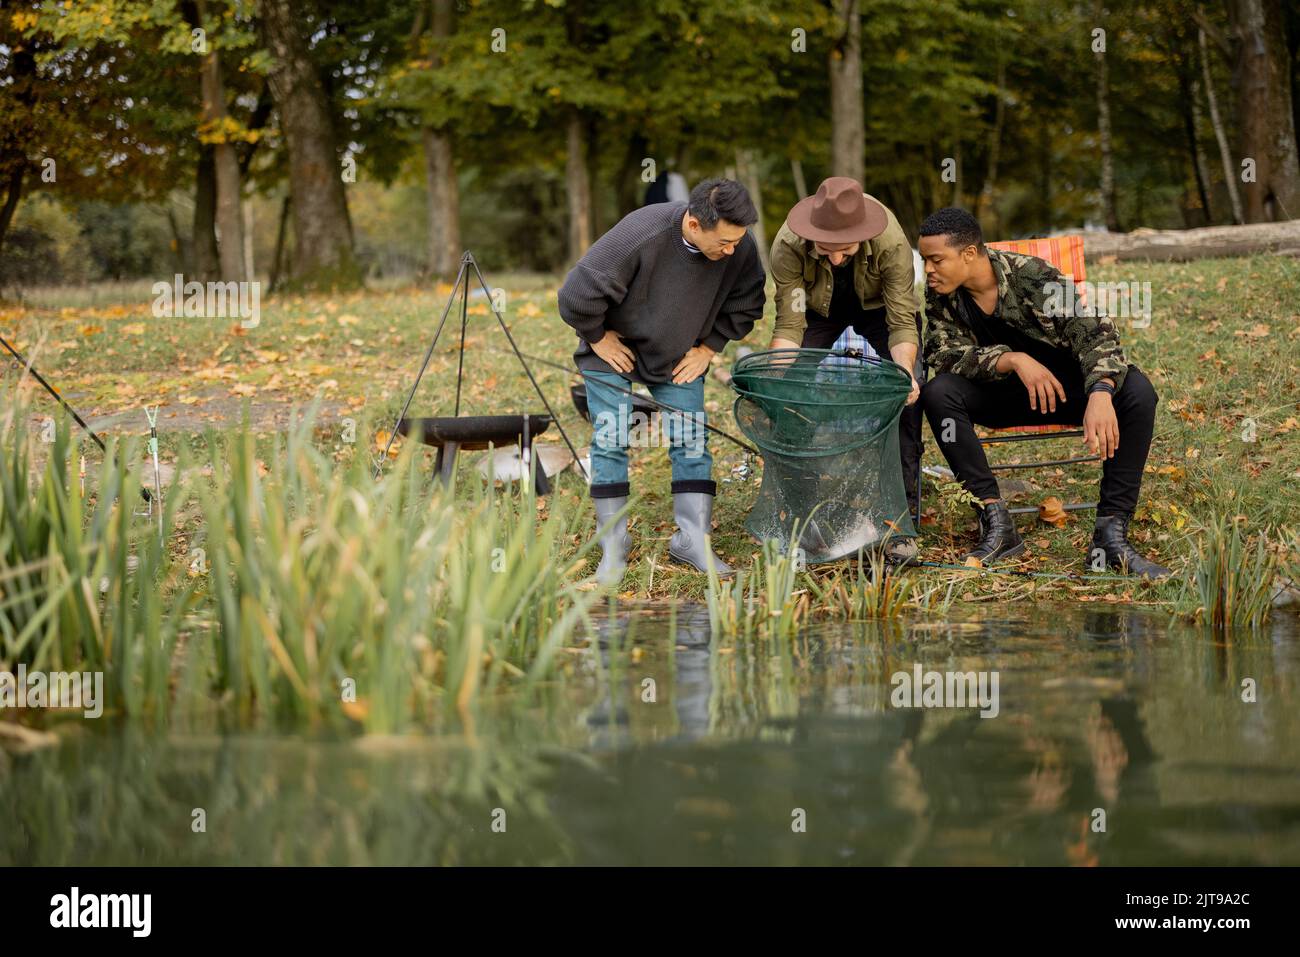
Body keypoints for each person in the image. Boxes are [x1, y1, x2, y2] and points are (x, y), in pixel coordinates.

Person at [917, 207, 1169, 578]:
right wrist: (1011, 360)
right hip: (1003, 399)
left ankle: (1110, 537)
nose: (928, 270)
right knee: (939, 392)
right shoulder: (941, 294)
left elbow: (1096, 332)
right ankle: (997, 525)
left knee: (1137, 390)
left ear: (968, 253)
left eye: (936, 260)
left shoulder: (1032, 276)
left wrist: (1100, 393)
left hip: (1068, 394)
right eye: (925, 261)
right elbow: (942, 353)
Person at [558, 178, 766, 584]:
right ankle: (613, 546)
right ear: (693, 224)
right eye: (723, 242)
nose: (731, 250)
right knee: (612, 436)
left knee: (691, 440)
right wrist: (598, 338)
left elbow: (749, 301)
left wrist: (709, 348)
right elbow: (575, 295)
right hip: (613, 349)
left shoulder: (738, 245)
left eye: (736, 242)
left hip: (679, 353)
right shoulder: (641, 233)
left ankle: (692, 540)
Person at [768, 176, 924, 562]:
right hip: (817, 311)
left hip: (878, 309)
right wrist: (776, 379)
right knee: (789, 397)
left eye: (846, 250)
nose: (836, 258)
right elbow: (790, 324)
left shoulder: (890, 241)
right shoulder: (787, 244)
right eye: (826, 249)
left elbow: (902, 320)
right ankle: (803, 516)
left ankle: (899, 520)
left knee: (904, 396)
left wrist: (904, 371)